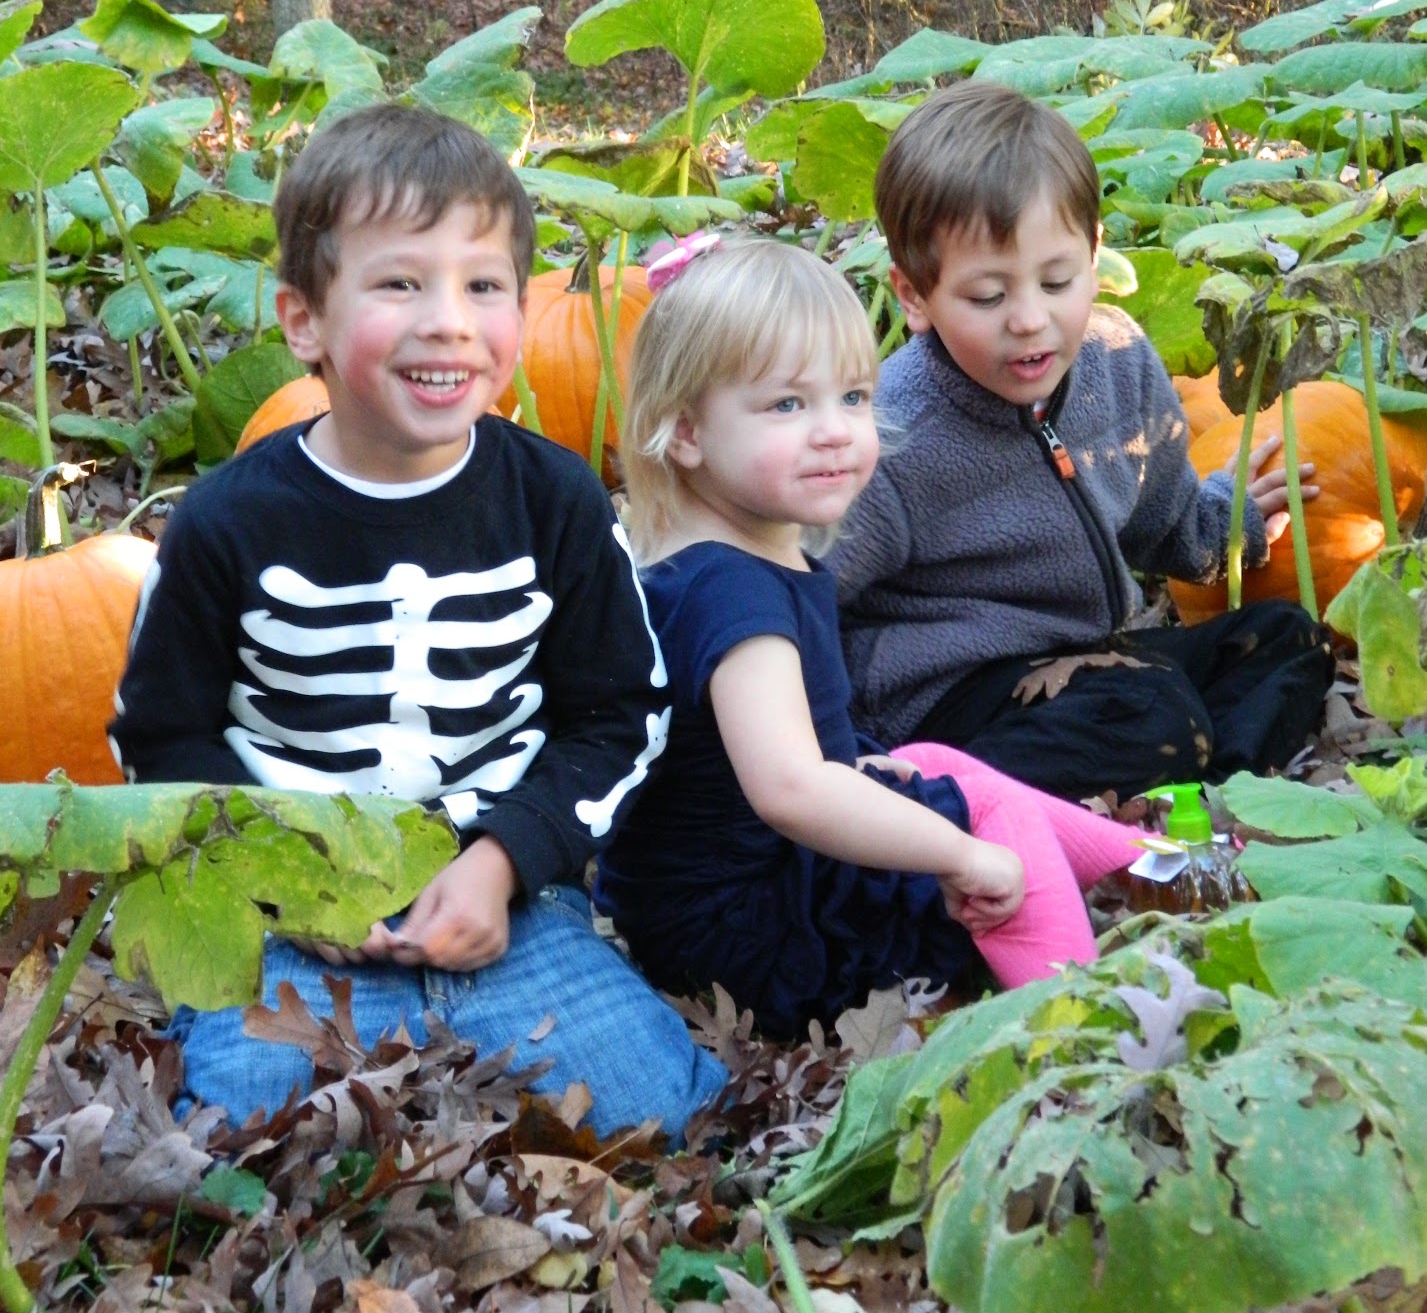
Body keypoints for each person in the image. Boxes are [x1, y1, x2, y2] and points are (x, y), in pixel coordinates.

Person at [110, 103, 726, 1137]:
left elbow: (620, 714)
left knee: (653, 1107)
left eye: (482, 286)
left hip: (508, 901)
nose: (447, 319)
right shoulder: (224, 522)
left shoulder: (555, 501)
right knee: (251, 1137)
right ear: (303, 318)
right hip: (282, 917)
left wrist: (502, 860)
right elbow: (157, 737)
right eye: (400, 282)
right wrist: (290, 879)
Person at [592, 240, 1143, 1039]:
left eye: (851, 396)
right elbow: (790, 788)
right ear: (685, 434)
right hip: (748, 928)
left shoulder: (734, 554)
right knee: (991, 831)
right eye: (786, 405)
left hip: (713, 891)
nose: (833, 432)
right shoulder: (735, 596)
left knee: (937, 764)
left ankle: (1135, 860)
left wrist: (861, 761)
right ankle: (1081, 1026)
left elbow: (774, 755)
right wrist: (962, 860)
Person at [828, 80, 1335, 803]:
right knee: (1153, 713)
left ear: (1093, 256)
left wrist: (1229, 523)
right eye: (987, 297)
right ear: (912, 296)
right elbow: (802, 592)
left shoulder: (1119, 362)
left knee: (1285, 637)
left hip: (1092, 664)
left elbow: (1163, 524)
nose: (1029, 319)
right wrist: (830, 749)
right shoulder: (890, 433)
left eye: (1057, 280)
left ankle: (1213, 792)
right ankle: (933, 800)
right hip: (952, 700)